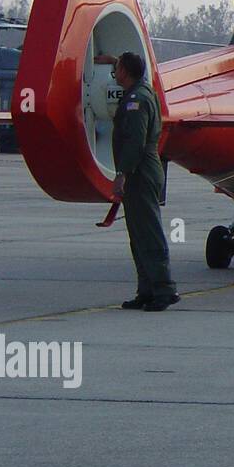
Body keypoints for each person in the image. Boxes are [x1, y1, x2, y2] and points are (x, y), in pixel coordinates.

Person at [98, 51, 179, 311]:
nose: (115, 73)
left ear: (126, 72)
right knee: (138, 234)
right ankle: (147, 290)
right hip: (141, 171)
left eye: (117, 68)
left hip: (140, 171)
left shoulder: (136, 100)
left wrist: (122, 173)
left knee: (148, 233)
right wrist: (112, 60)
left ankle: (164, 290)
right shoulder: (142, 91)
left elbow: (136, 140)